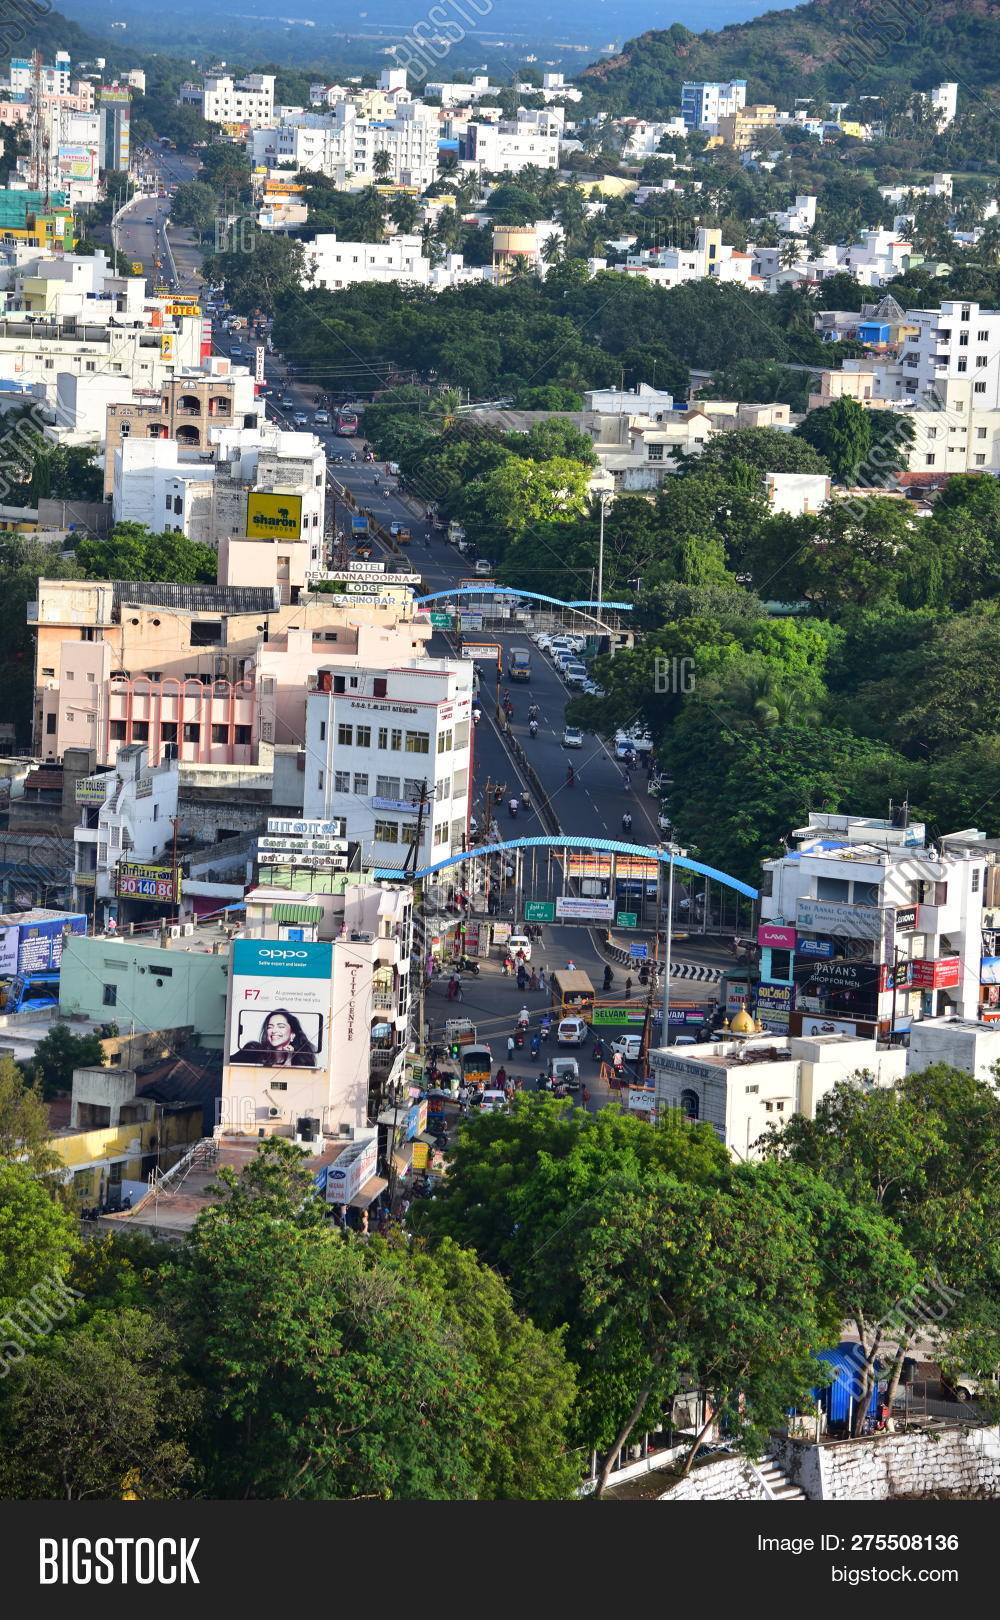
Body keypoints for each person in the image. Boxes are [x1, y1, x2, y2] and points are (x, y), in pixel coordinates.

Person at [229, 1007, 317, 1068]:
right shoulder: (253, 1051)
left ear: (292, 1035)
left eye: (281, 1026)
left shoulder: (301, 1059)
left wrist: (289, 1059)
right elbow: (228, 1065)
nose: (274, 1030)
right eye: (270, 1027)